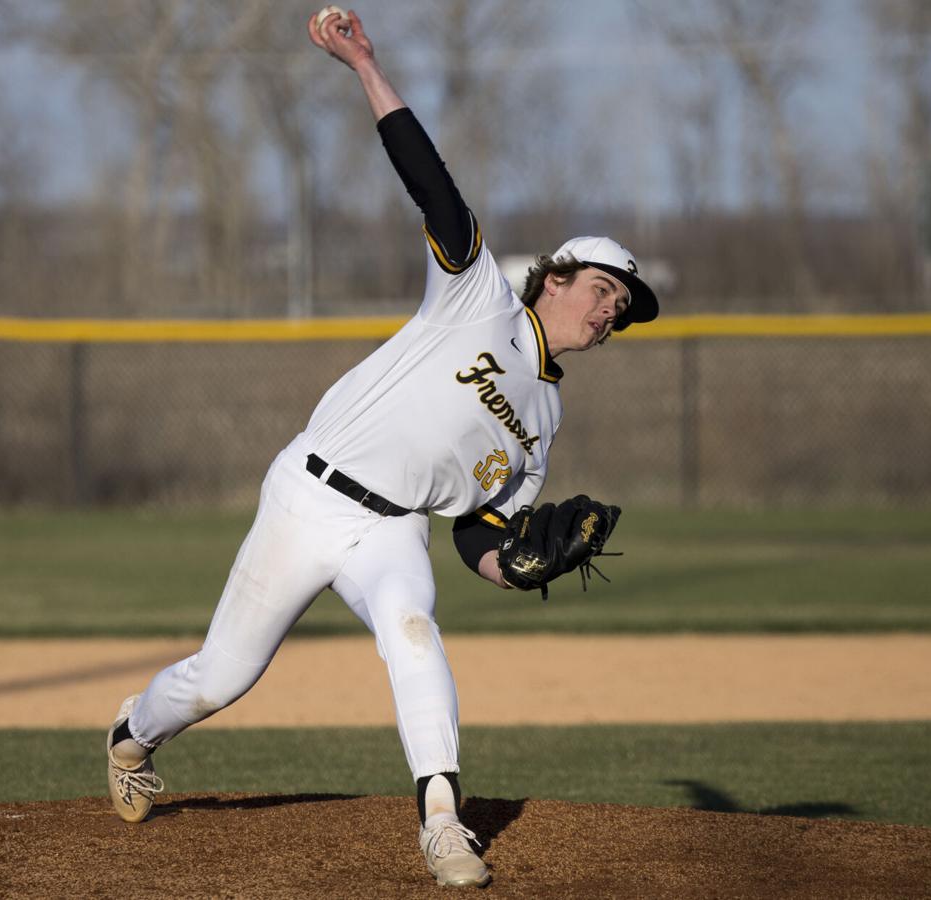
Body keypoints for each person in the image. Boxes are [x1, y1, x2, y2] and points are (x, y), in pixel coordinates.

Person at [105, 7, 660, 889]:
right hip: (309, 494)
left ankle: (444, 822)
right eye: (601, 290)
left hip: (391, 531)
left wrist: (510, 567)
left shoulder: (546, 421)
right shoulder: (475, 293)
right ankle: (132, 734)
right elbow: (430, 181)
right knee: (221, 679)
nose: (608, 312)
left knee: (414, 634)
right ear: (555, 278)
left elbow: (481, 526)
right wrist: (365, 64)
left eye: (620, 309)